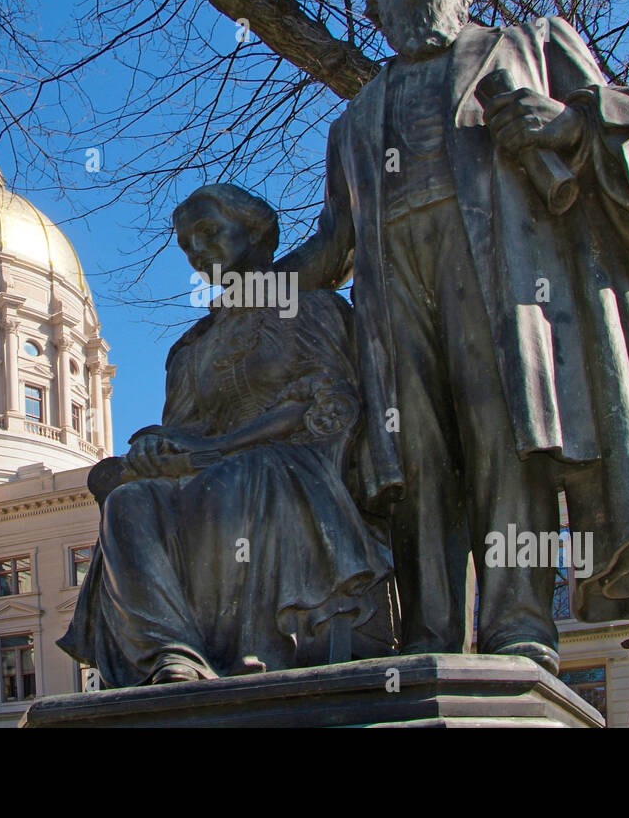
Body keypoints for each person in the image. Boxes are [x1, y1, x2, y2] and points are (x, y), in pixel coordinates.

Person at [278, 0, 629, 673]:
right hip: (394, 295)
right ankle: (430, 629)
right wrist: (250, 291)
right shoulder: (354, 120)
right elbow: (333, 242)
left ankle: (518, 623)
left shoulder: (531, 47)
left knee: (507, 437)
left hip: (507, 280)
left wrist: (569, 125)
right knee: (418, 460)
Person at [59, 184, 392, 687]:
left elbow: (328, 405)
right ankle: (172, 656)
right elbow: (185, 428)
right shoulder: (192, 347)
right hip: (210, 467)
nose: (198, 252)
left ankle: (265, 646)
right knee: (129, 502)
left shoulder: (308, 306)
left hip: (298, 461)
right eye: (188, 245)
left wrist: (216, 448)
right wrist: (157, 445)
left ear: (257, 232)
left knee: (237, 477)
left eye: (210, 233)